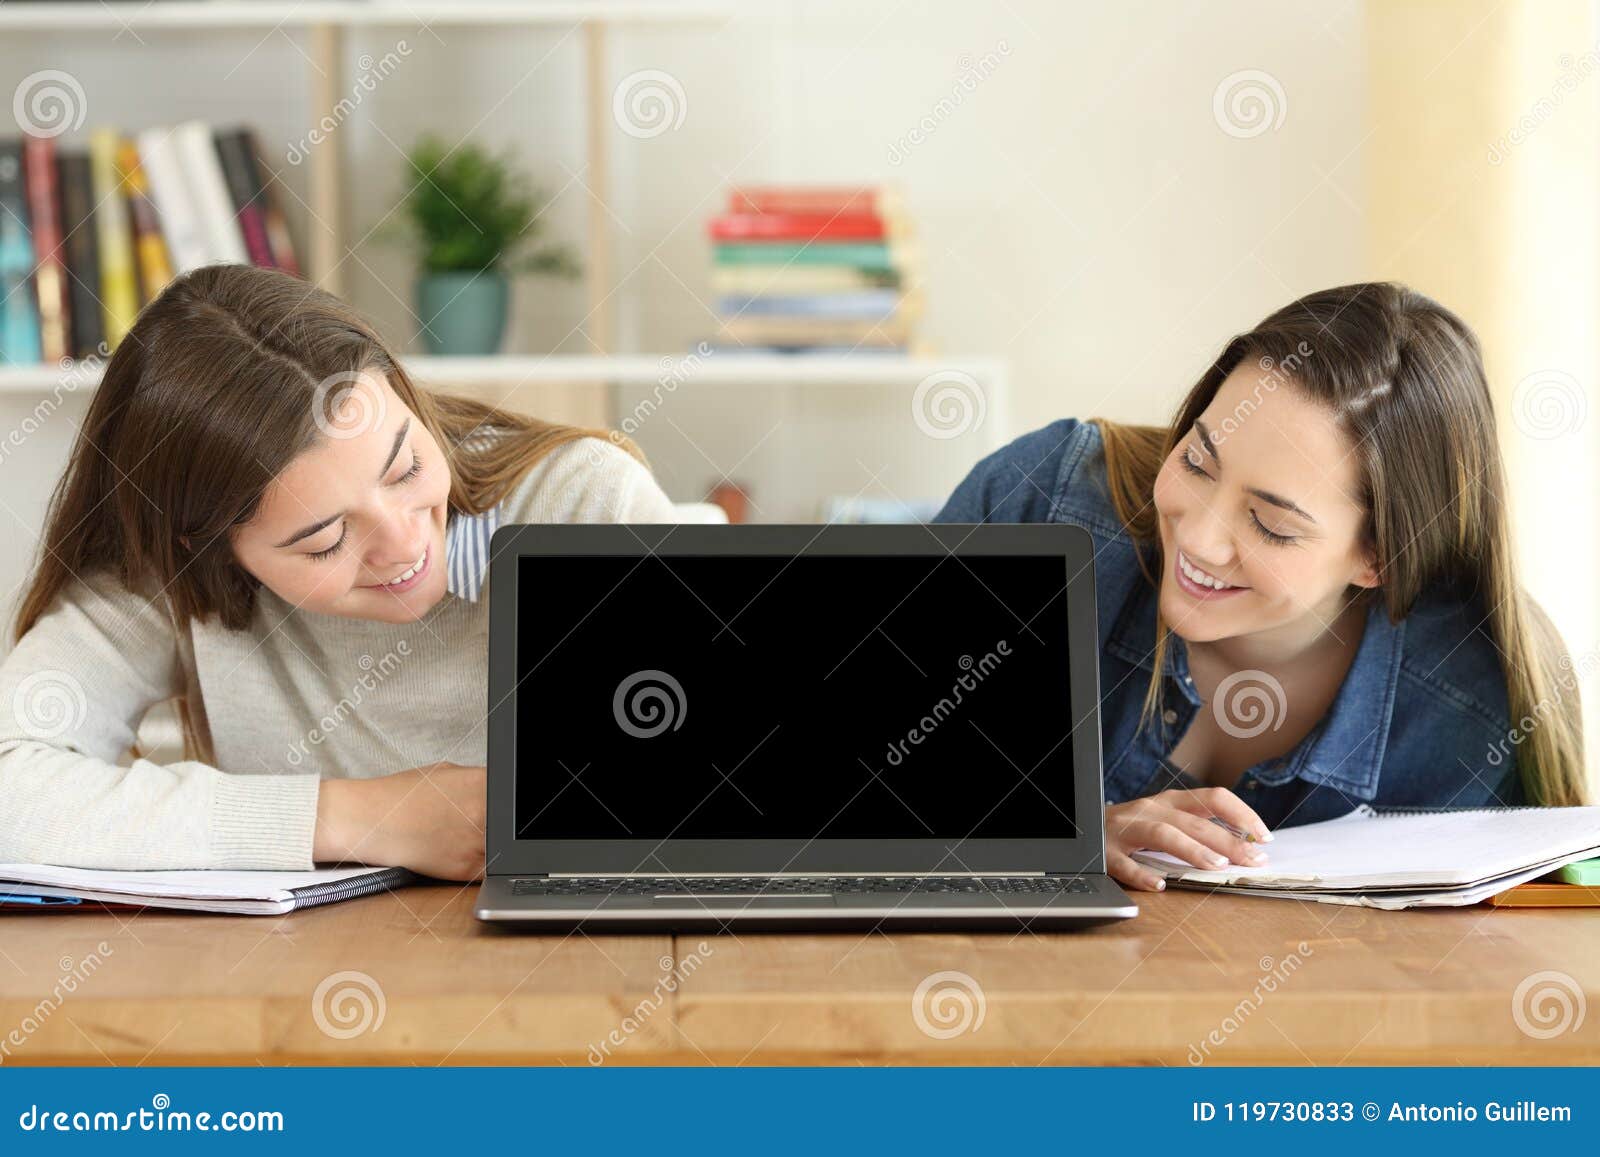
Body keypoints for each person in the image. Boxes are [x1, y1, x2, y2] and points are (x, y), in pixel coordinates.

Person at [0, 264, 679, 880]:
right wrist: (354, 817)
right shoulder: (172, 579)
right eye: (325, 539)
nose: (404, 540)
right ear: (206, 548)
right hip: (300, 984)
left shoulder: (583, 501)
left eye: (405, 467)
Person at [934, 282, 1588, 891]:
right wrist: (1056, 834)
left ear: (1380, 557)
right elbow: (856, 780)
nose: (1198, 540)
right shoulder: (1043, 504)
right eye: (1196, 460)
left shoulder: (1470, 704)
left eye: (1271, 524)